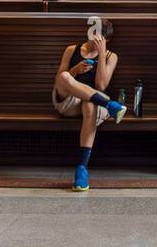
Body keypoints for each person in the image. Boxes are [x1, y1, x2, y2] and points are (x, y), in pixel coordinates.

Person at [53, 20, 127, 192]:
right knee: (64, 76)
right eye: (96, 40)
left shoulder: (110, 56)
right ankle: (111, 105)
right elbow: (58, 82)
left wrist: (101, 55)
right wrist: (76, 70)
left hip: (93, 103)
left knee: (89, 105)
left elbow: (101, 85)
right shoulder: (72, 50)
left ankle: (81, 170)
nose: (98, 44)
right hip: (68, 100)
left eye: (103, 42)